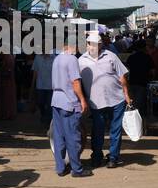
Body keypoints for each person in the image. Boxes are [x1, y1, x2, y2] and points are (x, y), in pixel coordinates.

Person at [79, 31, 133, 168]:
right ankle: (97, 156)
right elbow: (76, 82)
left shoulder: (111, 56)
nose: (94, 47)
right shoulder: (81, 61)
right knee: (98, 131)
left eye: (97, 44)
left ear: (101, 45)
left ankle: (113, 158)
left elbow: (122, 77)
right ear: (86, 45)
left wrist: (126, 95)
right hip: (96, 102)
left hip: (117, 99)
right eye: (91, 44)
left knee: (116, 130)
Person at [50, 40, 91, 178]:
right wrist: (82, 100)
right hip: (69, 102)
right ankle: (76, 169)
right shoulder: (72, 59)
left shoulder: (56, 59)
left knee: (59, 136)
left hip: (56, 101)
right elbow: (75, 82)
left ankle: (60, 168)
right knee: (73, 137)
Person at [125, 39, 154, 123]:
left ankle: (134, 123)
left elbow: (127, 71)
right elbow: (153, 71)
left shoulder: (131, 57)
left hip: (132, 83)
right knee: (141, 105)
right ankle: (140, 124)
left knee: (133, 104)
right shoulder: (147, 57)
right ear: (144, 47)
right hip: (143, 83)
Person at [31, 49, 56, 126]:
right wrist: (32, 84)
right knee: (40, 103)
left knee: (49, 105)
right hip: (40, 85)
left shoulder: (54, 58)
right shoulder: (38, 57)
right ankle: (43, 115)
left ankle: (48, 122)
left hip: (51, 86)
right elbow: (35, 72)